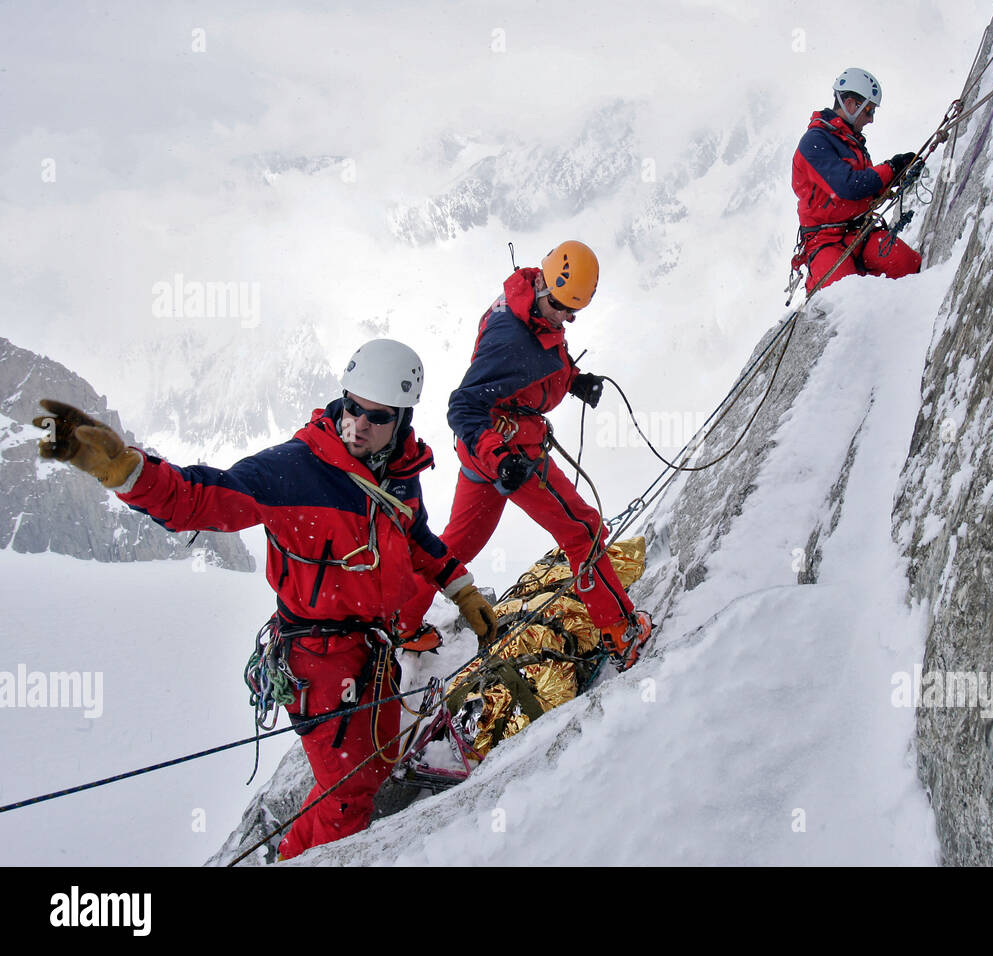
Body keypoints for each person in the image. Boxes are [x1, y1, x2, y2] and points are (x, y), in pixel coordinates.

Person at [33, 339, 497, 860]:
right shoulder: (295, 470)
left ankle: (289, 854)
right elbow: (200, 498)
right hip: (319, 660)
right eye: (352, 406)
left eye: (377, 416)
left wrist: (462, 589)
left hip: (374, 647)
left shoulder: (400, 474)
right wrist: (128, 472)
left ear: (403, 419)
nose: (358, 423)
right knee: (349, 798)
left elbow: (416, 537)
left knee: (370, 767)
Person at [440, 240, 653, 671]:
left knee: (453, 548)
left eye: (572, 312)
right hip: (508, 449)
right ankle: (620, 631)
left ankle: (397, 619)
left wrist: (573, 380)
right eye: (560, 307)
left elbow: (538, 358)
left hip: (488, 450)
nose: (565, 318)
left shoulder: (526, 305)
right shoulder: (509, 336)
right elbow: (462, 406)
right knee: (583, 529)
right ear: (543, 282)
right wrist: (502, 459)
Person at [791, 67, 923, 293]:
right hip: (824, 242)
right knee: (843, 297)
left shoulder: (851, 142)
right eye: (869, 110)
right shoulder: (815, 142)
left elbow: (863, 190)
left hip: (859, 232)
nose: (871, 119)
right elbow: (849, 187)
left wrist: (897, 176)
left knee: (907, 265)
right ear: (851, 104)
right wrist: (891, 168)